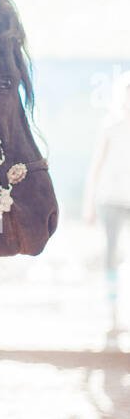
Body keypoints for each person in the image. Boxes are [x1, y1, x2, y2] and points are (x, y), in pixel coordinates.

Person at [84, 69, 130, 347]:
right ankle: (112, 315)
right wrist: (90, 203)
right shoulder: (110, 126)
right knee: (111, 255)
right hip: (110, 200)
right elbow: (96, 167)